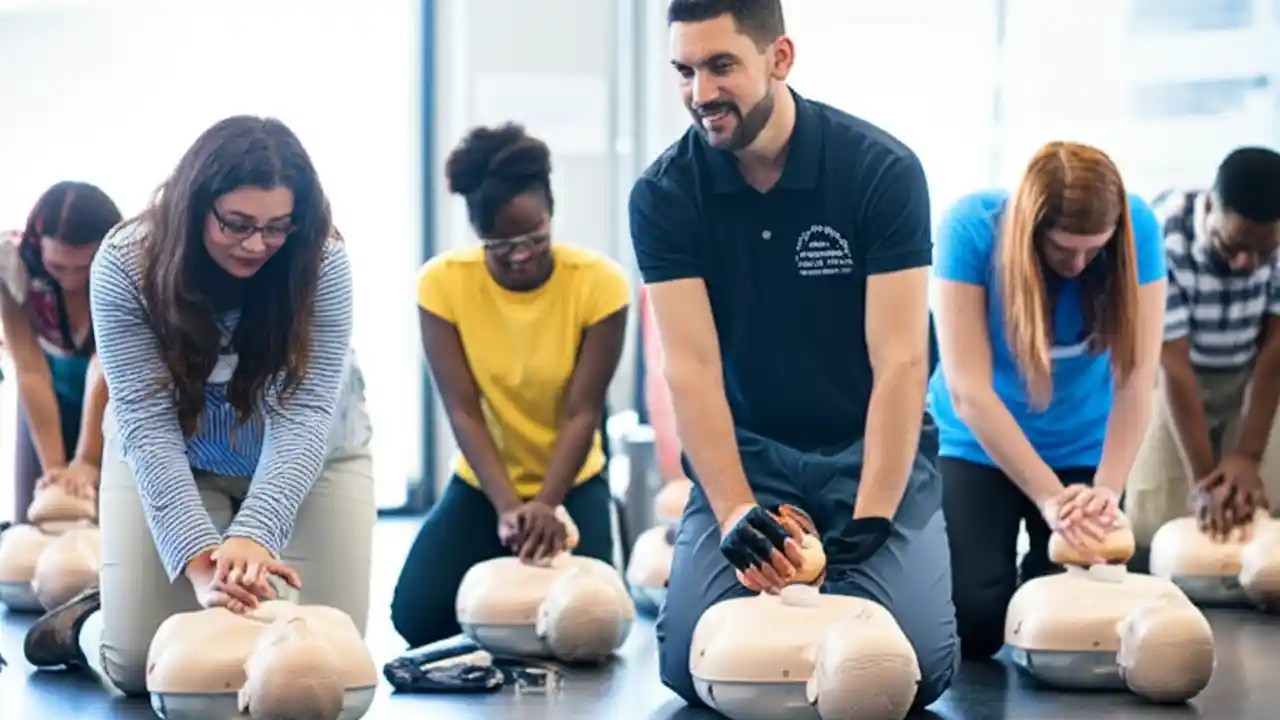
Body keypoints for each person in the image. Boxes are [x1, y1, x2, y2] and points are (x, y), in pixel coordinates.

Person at [629, 0, 958, 711]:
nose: (699, 93)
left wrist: (871, 515)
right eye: (684, 70)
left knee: (915, 672)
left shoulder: (882, 170)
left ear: (780, 58)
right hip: (750, 453)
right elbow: (690, 369)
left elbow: (901, 361)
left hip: (862, 446)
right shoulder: (663, 195)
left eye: (721, 66)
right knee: (690, 666)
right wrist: (734, 513)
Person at [21, 115, 376, 698]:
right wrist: (196, 556)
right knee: (137, 666)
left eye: (276, 227)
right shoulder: (125, 262)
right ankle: (88, 622)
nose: (257, 243)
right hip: (174, 455)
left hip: (315, 459)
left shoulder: (322, 261)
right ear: (195, 204)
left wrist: (256, 533)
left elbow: (306, 412)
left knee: (322, 664)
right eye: (236, 224)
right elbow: (143, 416)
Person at [389, 123, 630, 648]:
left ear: (552, 211)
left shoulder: (600, 283)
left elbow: (582, 412)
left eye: (534, 238)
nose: (520, 254)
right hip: (483, 482)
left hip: (572, 479)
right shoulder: (442, 286)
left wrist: (546, 505)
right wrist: (507, 509)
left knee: (596, 624)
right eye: (500, 245)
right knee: (416, 617)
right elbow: (464, 411)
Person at [928, 141, 1167, 659]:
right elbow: (970, 392)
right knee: (974, 621)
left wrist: (1105, 490)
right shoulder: (969, 228)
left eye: (1093, 249)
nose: (1079, 264)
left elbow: (1136, 381)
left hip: (1083, 444)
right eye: (1063, 249)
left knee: (1076, 625)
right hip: (977, 443)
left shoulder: (1138, 228)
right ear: (1031, 232)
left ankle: (1039, 569)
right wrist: (1049, 499)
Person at [1125, 147, 1280, 547]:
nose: (1248, 263)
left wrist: (1246, 455)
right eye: (1234, 246)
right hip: (1173, 377)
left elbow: (1275, 349)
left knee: (1256, 505)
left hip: (1251, 373)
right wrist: (1204, 482)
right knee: (1155, 521)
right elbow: (1172, 364)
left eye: (1264, 252)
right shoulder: (1159, 234)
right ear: (1210, 205)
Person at [0, 182, 121, 521]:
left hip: (113, 386)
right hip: (46, 385)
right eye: (59, 267)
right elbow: (29, 367)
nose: (72, 280)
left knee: (100, 504)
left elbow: (107, 362)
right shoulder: (12, 266)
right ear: (40, 252)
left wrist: (87, 461)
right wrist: (55, 470)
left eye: (85, 268)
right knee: (41, 503)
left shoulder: (135, 268)